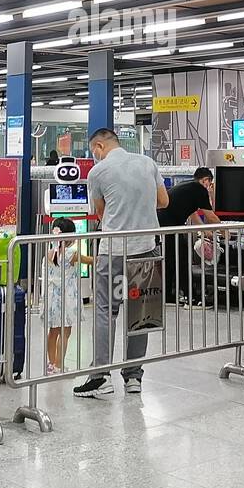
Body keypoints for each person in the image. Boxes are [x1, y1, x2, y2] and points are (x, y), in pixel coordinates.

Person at [74, 127, 168, 399]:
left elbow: (101, 213)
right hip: (146, 252)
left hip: (114, 253)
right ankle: (133, 378)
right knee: (141, 313)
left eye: (95, 152)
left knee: (106, 311)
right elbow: (163, 201)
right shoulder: (148, 163)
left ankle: (100, 376)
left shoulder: (98, 173)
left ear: (100, 147)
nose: (95, 156)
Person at [159, 166, 222, 306]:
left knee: (170, 261)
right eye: (209, 184)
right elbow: (210, 216)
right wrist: (225, 232)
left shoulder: (187, 186)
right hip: (171, 226)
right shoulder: (199, 190)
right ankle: (191, 298)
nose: (209, 187)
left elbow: (192, 213)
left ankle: (168, 296)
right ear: (206, 180)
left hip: (163, 224)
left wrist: (204, 230)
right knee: (182, 260)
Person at [45, 217, 92, 374]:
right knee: (65, 333)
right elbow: (92, 261)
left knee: (53, 332)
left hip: (52, 297)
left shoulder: (49, 253)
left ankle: (51, 364)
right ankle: (59, 365)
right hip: (68, 298)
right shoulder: (72, 254)